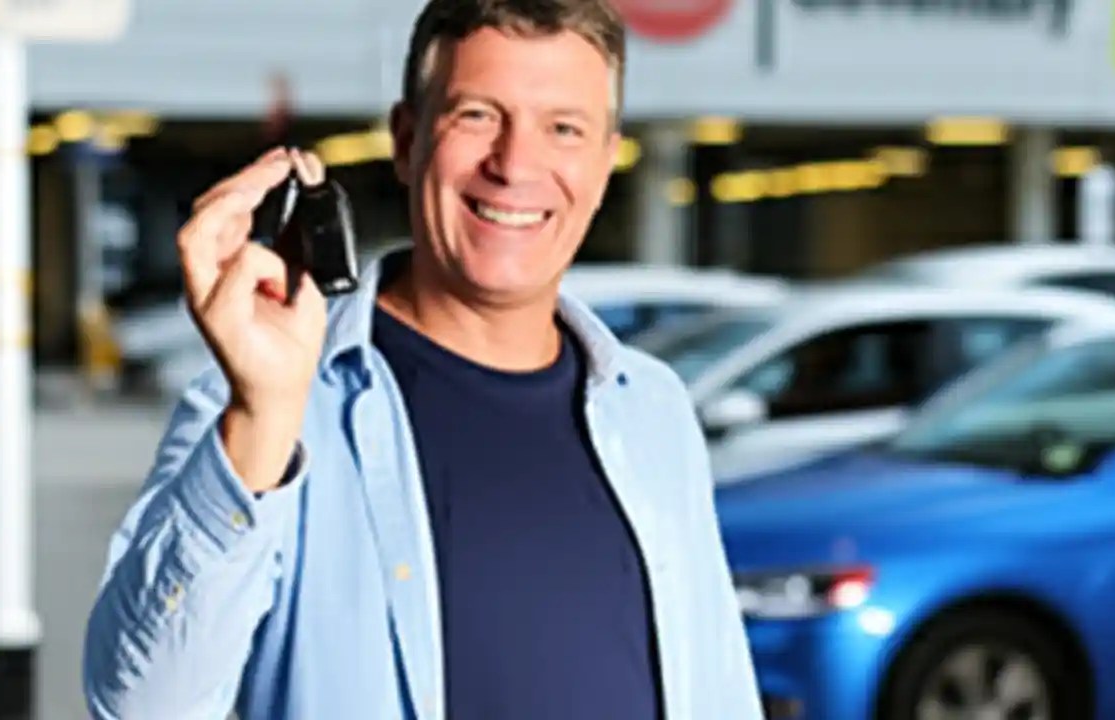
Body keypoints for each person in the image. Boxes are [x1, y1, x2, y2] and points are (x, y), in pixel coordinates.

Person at [82, 1, 762, 718]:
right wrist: (261, 415)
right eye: (477, 116)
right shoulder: (271, 405)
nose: (514, 164)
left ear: (602, 162)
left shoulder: (650, 406)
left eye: (563, 128)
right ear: (407, 142)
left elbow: (718, 687)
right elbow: (138, 703)